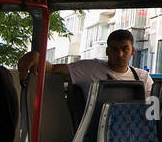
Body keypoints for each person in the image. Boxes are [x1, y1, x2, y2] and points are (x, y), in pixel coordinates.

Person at [17, 29, 151, 98]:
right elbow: (52, 69)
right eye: (115, 49)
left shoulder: (143, 77)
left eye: (125, 49)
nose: (120, 54)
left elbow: (153, 111)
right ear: (107, 51)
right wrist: (36, 57)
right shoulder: (90, 69)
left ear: (132, 51)